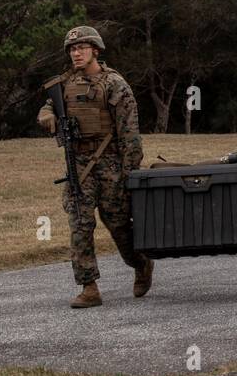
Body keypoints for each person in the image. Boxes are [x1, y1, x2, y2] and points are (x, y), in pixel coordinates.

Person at [37, 25, 152, 308]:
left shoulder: (115, 84)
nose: (76, 53)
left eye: (81, 48)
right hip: (79, 164)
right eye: (72, 49)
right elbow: (48, 106)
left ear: (95, 51)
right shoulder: (65, 83)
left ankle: (141, 264)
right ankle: (89, 287)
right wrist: (47, 115)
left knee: (119, 225)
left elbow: (130, 134)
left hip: (111, 163)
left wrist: (130, 174)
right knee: (80, 223)